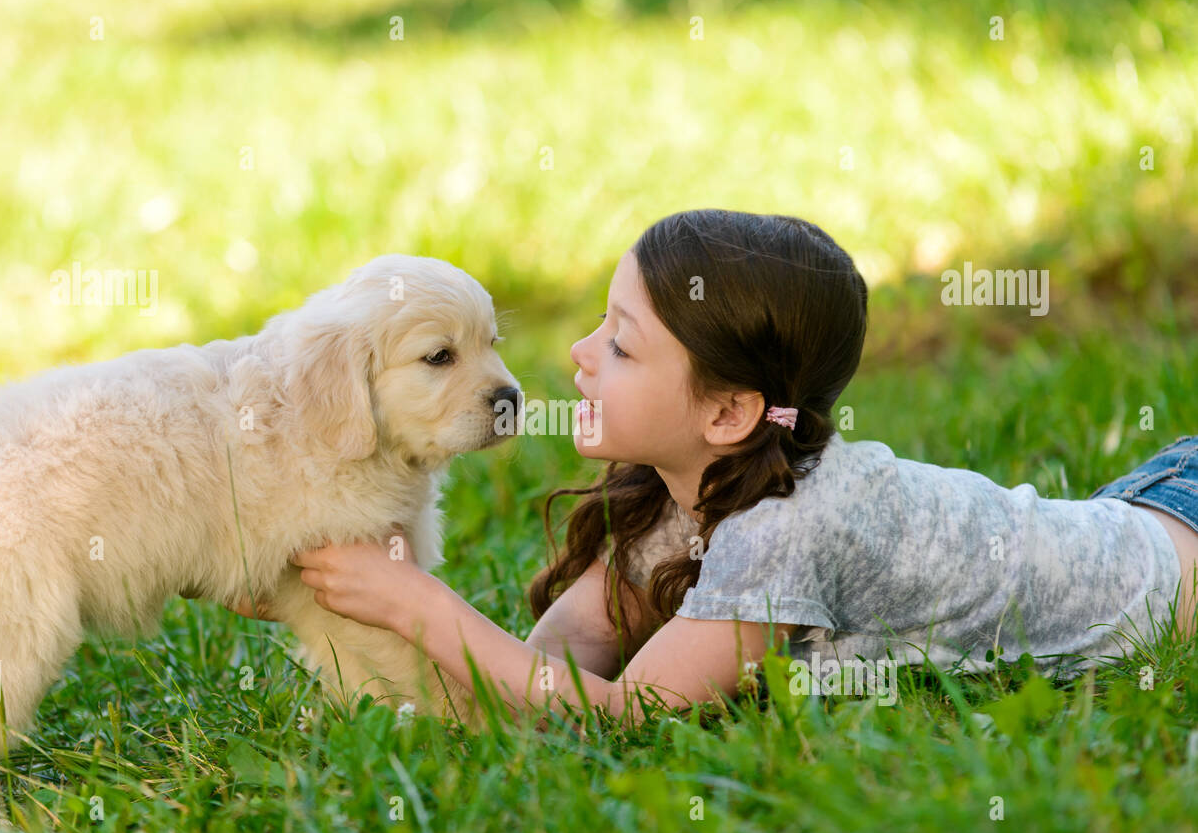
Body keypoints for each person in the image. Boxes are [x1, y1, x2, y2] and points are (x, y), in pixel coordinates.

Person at [235, 209, 1198, 728]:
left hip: (1179, 580)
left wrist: (418, 605)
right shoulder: (689, 494)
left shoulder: (778, 537)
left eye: (618, 343)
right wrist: (326, 597)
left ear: (727, 412)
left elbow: (620, 714)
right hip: (1144, 506)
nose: (573, 354)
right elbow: (552, 669)